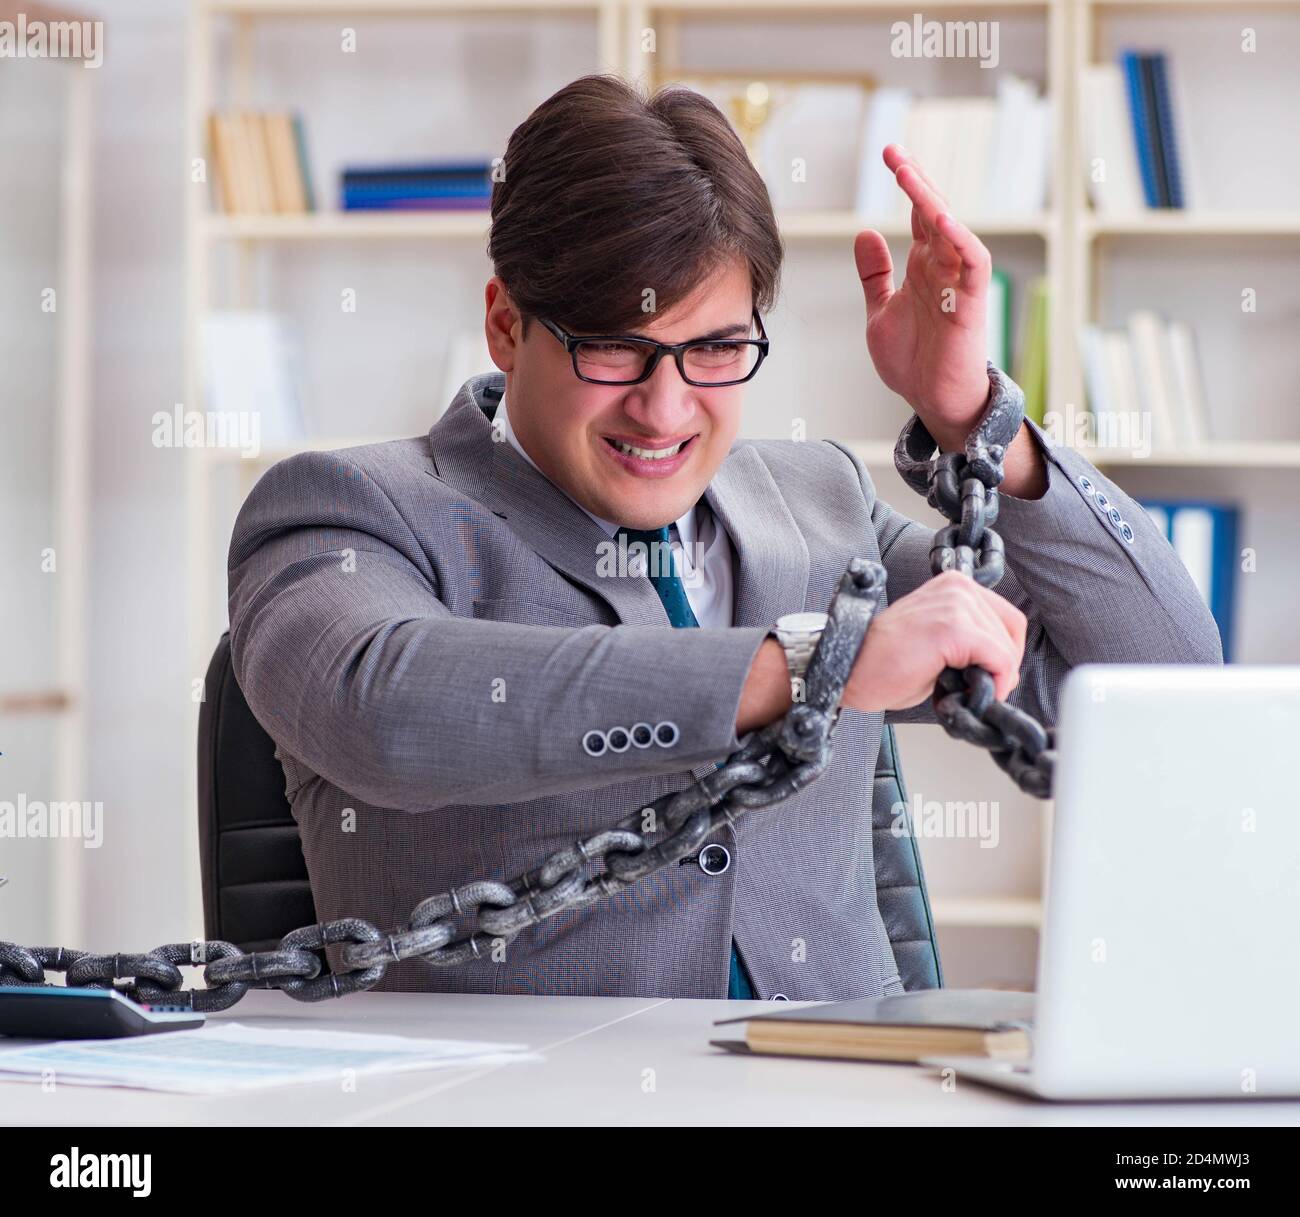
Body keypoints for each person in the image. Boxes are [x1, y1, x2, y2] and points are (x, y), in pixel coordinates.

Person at [227, 74, 1221, 1001]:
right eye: (613, 348)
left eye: (713, 349)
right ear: (504, 325)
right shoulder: (350, 508)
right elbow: (380, 707)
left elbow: (1159, 674)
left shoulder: (817, 503)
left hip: (847, 1102)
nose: (665, 409)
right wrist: (813, 663)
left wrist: (976, 422)